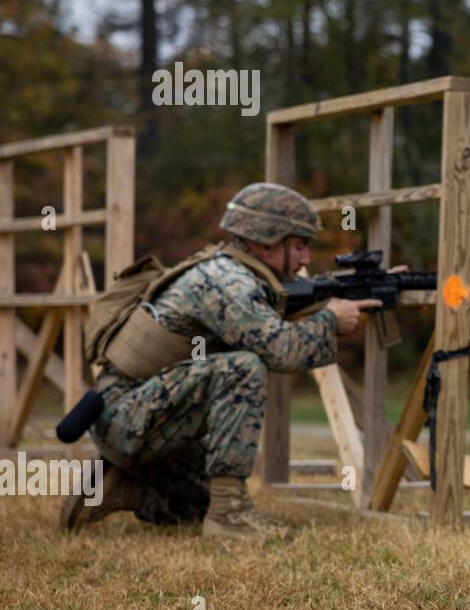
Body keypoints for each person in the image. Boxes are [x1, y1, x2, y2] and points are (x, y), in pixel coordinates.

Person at [58, 182, 379, 539]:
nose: (305, 260)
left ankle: (123, 487)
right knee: (243, 368)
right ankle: (229, 516)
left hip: (131, 414)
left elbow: (278, 310)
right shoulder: (228, 283)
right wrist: (331, 320)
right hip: (127, 418)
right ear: (267, 242)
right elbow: (281, 349)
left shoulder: (229, 271)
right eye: (300, 246)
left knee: (199, 500)